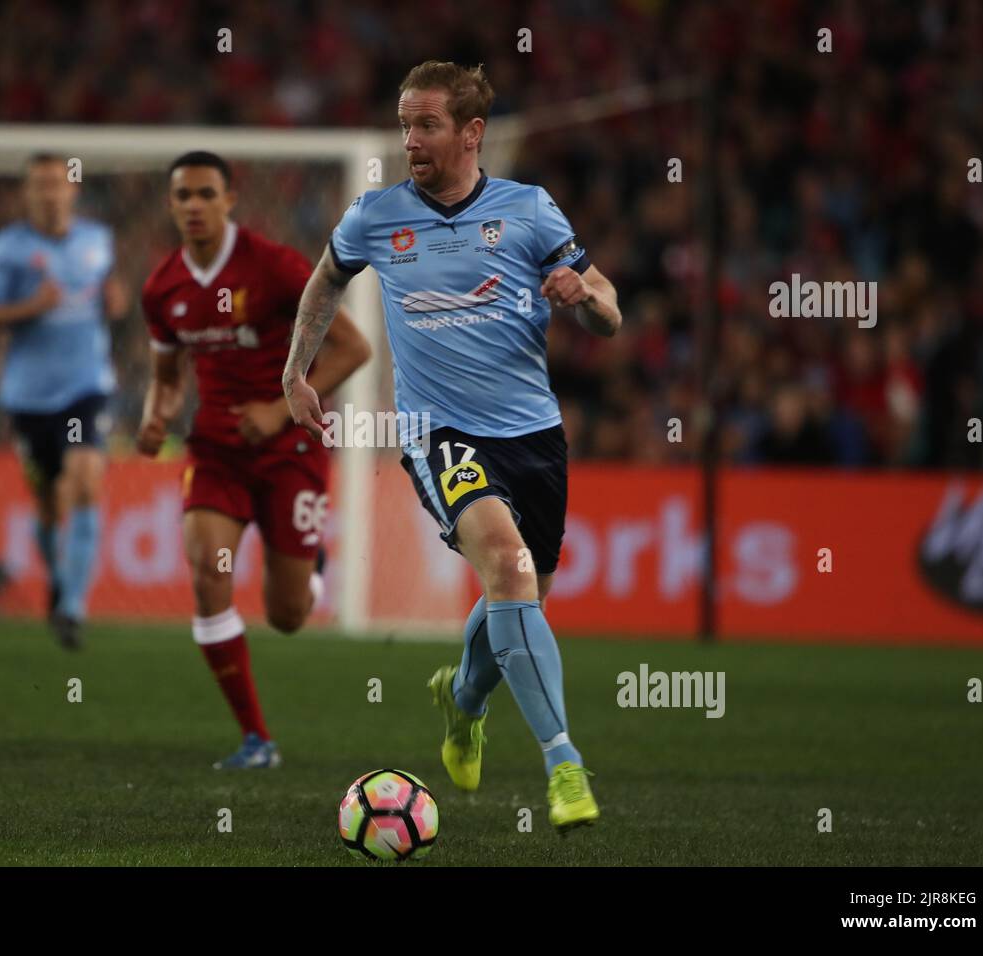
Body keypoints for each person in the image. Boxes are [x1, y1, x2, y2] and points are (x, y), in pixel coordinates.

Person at [281, 63, 622, 830]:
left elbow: (609, 309)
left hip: (534, 435)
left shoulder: (528, 211)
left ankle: (462, 700)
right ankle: (564, 764)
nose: (411, 141)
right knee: (507, 564)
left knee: (521, 591)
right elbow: (326, 280)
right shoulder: (377, 214)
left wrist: (584, 300)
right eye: (405, 125)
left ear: (472, 134)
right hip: (439, 433)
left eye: (427, 125)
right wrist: (296, 371)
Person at [138, 151, 371, 769]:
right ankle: (256, 740)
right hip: (215, 450)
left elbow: (353, 348)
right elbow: (166, 378)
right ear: (171, 204)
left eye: (204, 194)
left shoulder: (272, 267)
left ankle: (311, 565)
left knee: (288, 615)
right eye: (182, 195)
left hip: (288, 448)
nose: (192, 205)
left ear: (228, 199)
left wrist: (276, 408)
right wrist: (154, 414)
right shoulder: (162, 287)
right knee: (209, 580)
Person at [0, 152, 129, 649]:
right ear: (26, 193)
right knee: (47, 505)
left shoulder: (97, 241)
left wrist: (114, 302)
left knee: (84, 480)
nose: (49, 193)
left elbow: (107, 294)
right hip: (29, 397)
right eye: (38, 185)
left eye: (57, 184)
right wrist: (29, 308)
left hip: (87, 387)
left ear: (72, 190)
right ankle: (59, 575)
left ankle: (73, 608)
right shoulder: (5, 251)